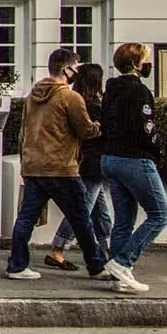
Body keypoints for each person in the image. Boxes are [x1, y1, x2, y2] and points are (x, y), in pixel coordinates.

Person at [5, 47, 111, 286]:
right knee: (81, 218)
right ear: (67, 69)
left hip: (34, 166)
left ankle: (17, 264)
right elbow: (85, 130)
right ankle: (95, 265)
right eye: (76, 67)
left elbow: (24, 130)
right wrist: (98, 125)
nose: (77, 72)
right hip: (61, 167)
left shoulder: (34, 94)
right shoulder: (70, 97)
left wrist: (25, 161)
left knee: (25, 218)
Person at [100, 42, 167, 292]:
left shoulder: (111, 90)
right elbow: (146, 128)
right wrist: (155, 151)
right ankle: (122, 262)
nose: (147, 64)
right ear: (136, 65)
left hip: (110, 158)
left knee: (123, 220)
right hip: (135, 159)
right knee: (160, 215)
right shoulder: (139, 92)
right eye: (145, 60)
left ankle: (120, 277)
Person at [42, 61, 111, 273]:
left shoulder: (75, 101)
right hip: (93, 164)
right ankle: (58, 248)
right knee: (83, 209)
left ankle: (108, 250)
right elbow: (94, 133)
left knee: (99, 211)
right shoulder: (93, 106)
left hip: (82, 161)